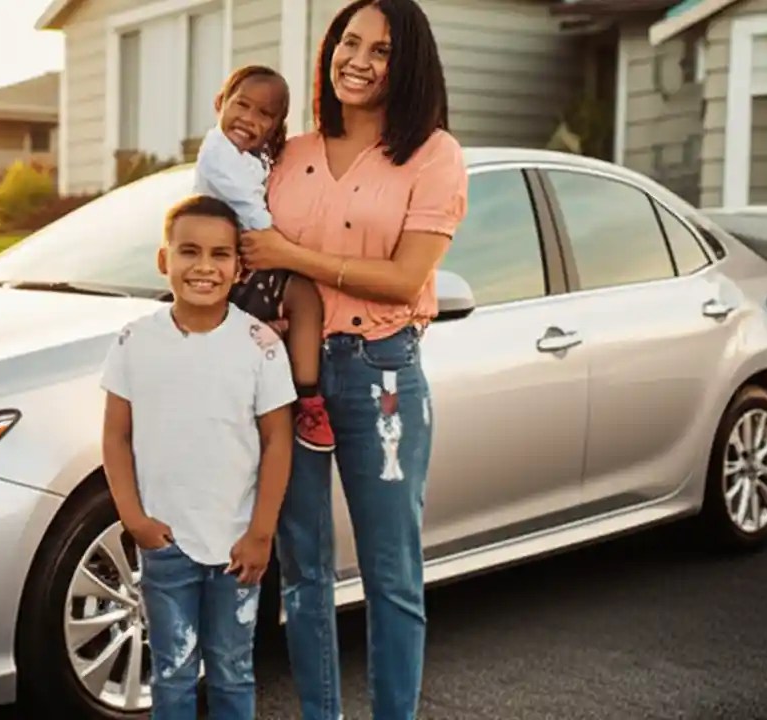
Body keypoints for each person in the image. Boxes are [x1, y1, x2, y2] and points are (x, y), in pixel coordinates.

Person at [236, 1, 469, 719]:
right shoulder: (291, 152)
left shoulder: (433, 155)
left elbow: (404, 279)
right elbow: (249, 251)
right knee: (302, 570)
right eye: (349, 41)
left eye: (383, 49)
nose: (358, 59)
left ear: (411, 65)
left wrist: (294, 256)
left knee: (391, 572)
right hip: (286, 374)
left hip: (381, 375)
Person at [100, 195, 297, 719]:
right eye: (189, 251)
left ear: (239, 267)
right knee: (172, 671)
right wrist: (135, 519)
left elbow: (278, 440)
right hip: (166, 542)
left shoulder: (259, 346)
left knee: (233, 671)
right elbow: (116, 437)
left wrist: (260, 533)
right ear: (165, 260)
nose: (204, 267)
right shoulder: (134, 342)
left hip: (237, 545)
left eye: (220, 254)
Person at [193, 64, 335, 454]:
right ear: (220, 103)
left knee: (304, 296)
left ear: (276, 126)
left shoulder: (256, 157)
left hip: (253, 267)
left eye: (264, 114)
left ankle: (308, 400)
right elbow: (249, 208)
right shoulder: (218, 155)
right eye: (242, 105)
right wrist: (286, 246)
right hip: (228, 272)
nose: (249, 119)